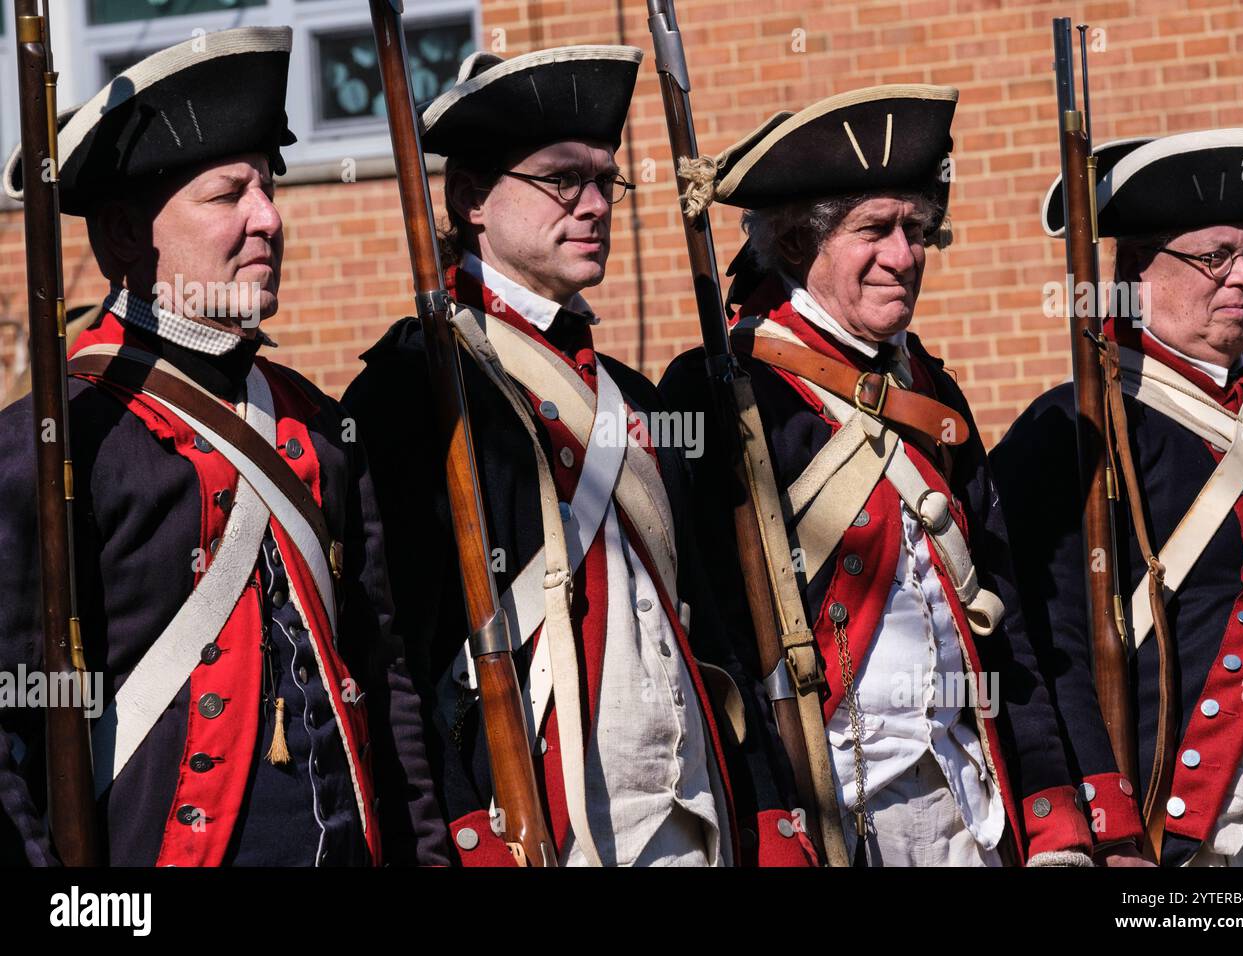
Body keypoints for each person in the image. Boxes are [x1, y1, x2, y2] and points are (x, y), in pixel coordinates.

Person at [0, 26, 445, 866]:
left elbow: (384, 682)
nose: (268, 218)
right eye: (228, 193)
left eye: (270, 187)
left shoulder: (314, 424)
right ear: (126, 235)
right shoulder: (52, 442)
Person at [345, 45, 796, 866]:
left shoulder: (636, 398)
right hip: (536, 832)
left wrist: (769, 814)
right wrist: (455, 837)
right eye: (562, 180)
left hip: (691, 822)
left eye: (606, 182)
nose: (594, 204)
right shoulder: (410, 392)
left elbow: (708, 623)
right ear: (472, 198)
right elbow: (391, 659)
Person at [658, 85, 1094, 866]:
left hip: (973, 809)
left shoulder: (930, 390)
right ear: (798, 244)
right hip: (832, 821)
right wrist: (769, 831)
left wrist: (1055, 820)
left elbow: (1007, 619)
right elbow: (710, 640)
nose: (904, 256)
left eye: (917, 229)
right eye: (875, 230)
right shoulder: (720, 391)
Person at [993, 127, 1243, 867]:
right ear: (1134, 273)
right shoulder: (1073, 425)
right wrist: (1103, 824)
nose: (1242, 278)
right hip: (1202, 841)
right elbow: (1044, 642)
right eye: (1212, 256)